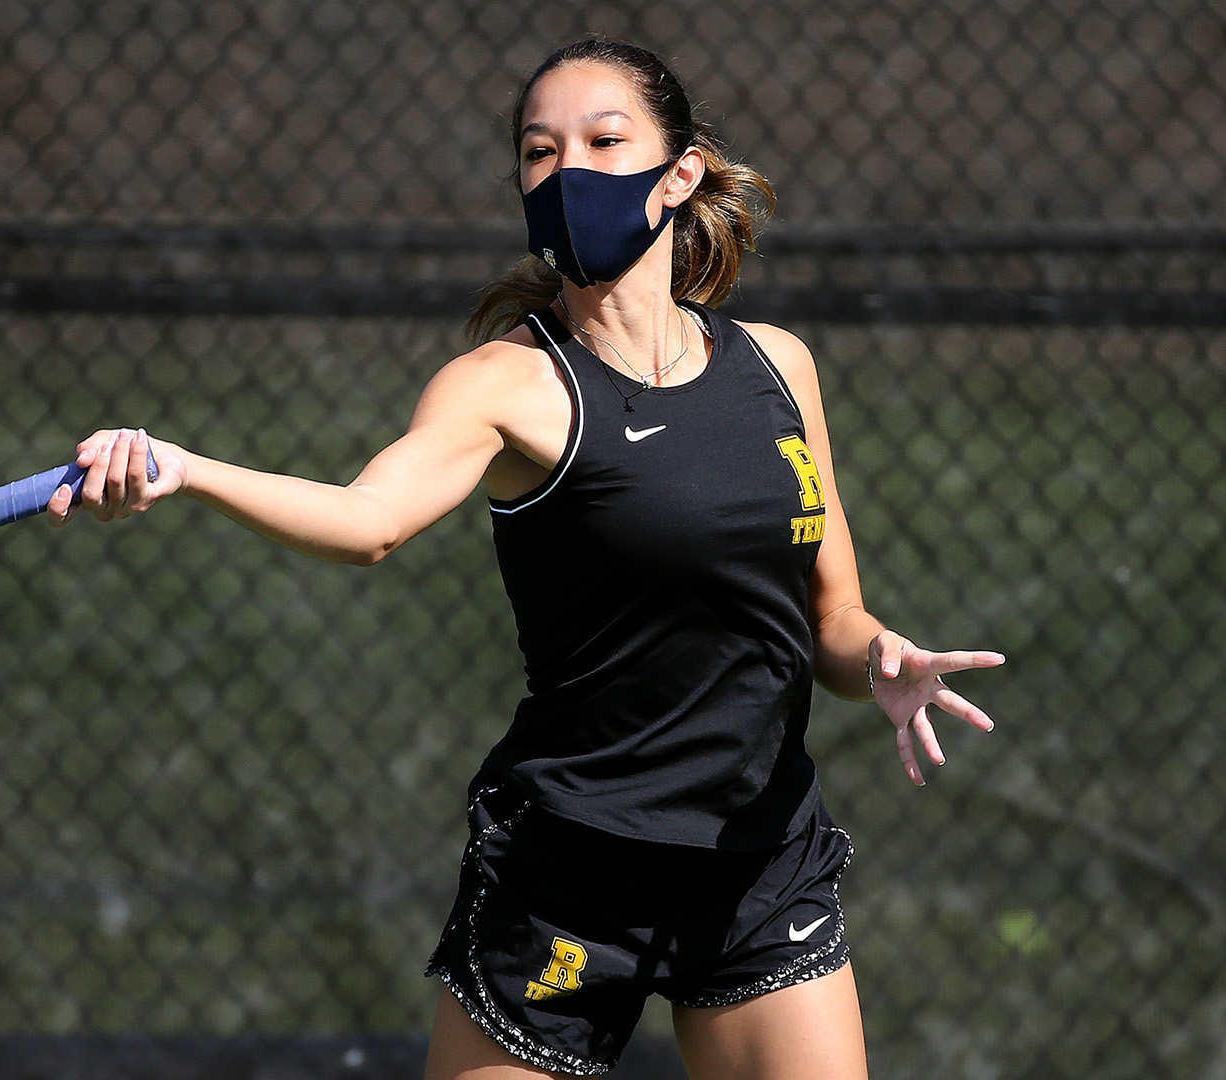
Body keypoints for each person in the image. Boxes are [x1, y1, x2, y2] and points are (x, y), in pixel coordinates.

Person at [51, 37, 1003, 1080]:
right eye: (541, 153)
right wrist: (188, 470)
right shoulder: (503, 386)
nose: (568, 173)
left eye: (604, 142)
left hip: (758, 864)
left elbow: (832, 620)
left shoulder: (779, 367)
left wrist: (882, 661)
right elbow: (369, 519)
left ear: (680, 173)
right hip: (571, 875)